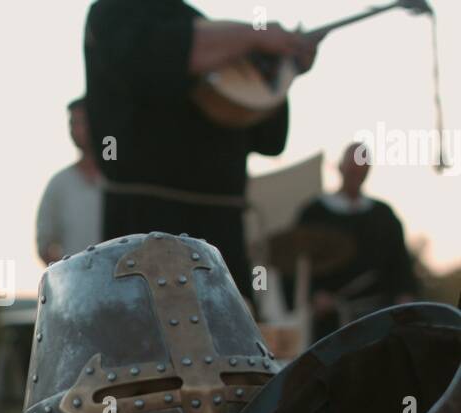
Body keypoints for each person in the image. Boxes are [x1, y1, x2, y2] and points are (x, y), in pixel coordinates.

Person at [84, 0, 318, 299]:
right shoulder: (113, 12)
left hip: (223, 244)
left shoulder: (209, 29)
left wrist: (282, 67)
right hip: (145, 235)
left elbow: (267, 140)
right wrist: (255, 37)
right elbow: (167, 56)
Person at [294, 143, 418, 339]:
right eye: (352, 170)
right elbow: (294, 264)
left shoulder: (384, 215)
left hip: (378, 316)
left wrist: (406, 299)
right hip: (328, 320)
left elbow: (401, 264)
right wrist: (313, 296)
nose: (355, 176)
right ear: (340, 168)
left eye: (361, 171)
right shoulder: (314, 213)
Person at [36, 98, 104, 265]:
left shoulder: (121, 183)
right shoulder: (59, 184)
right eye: (73, 123)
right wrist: (70, 277)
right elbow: (44, 245)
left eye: (83, 122)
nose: (77, 129)